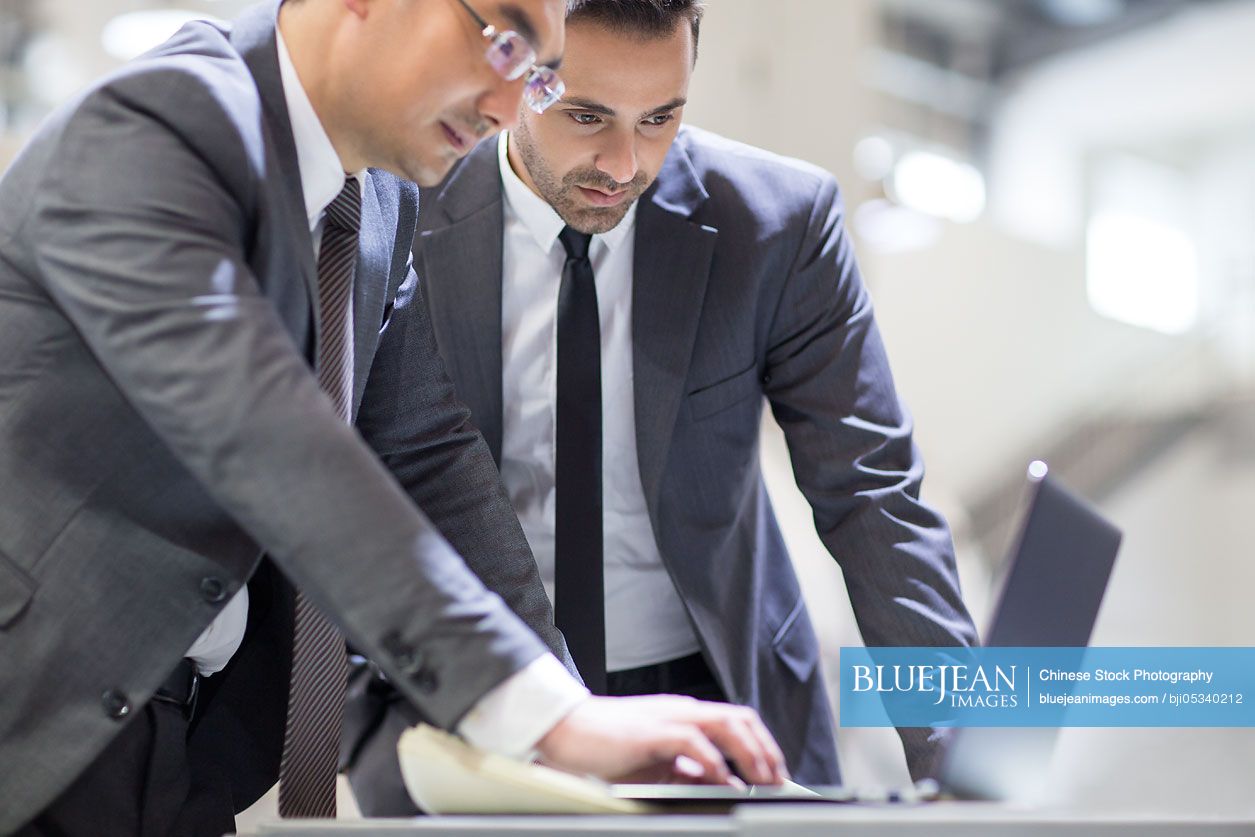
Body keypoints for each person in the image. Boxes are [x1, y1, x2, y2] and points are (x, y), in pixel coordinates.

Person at [0, 0, 788, 834]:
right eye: (506, 43)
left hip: (168, 736)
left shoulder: (376, 198)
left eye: (537, 74)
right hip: (35, 714)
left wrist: (560, 709)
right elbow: (271, 442)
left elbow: (424, 451)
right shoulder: (162, 126)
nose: (510, 103)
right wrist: (536, 713)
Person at [343, 0, 978, 815]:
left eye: (660, 118)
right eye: (586, 115)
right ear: (515, 78)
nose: (623, 161)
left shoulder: (779, 225)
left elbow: (872, 497)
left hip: (716, 693)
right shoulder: (401, 205)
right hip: (474, 691)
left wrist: (963, 754)